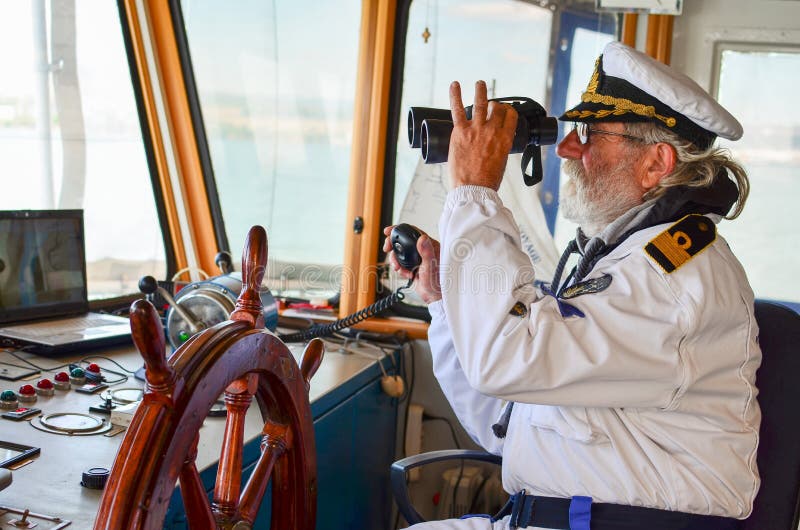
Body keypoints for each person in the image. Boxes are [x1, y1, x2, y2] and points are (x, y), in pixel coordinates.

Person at [383, 41, 761, 530]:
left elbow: (503, 359)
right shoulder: (623, 259)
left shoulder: (675, 280)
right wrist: (442, 302)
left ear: (656, 163)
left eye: (590, 132)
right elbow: (508, 421)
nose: (565, 147)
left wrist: (475, 193)